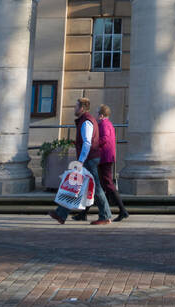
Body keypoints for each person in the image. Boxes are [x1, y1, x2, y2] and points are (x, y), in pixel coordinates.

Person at [49, 97, 112, 227]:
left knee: (94, 188)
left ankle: (105, 216)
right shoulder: (86, 120)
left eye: (76, 106)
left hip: (89, 159)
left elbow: (87, 143)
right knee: (75, 186)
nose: (74, 108)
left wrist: (81, 161)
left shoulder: (86, 122)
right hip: (90, 158)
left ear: (82, 108)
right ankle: (61, 214)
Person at [97, 104, 128, 222]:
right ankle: (87, 212)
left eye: (97, 113)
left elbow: (104, 138)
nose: (96, 116)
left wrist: (94, 143)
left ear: (101, 115)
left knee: (107, 184)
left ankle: (123, 210)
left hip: (104, 157)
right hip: (106, 156)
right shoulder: (108, 124)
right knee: (102, 184)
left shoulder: (104, 124)